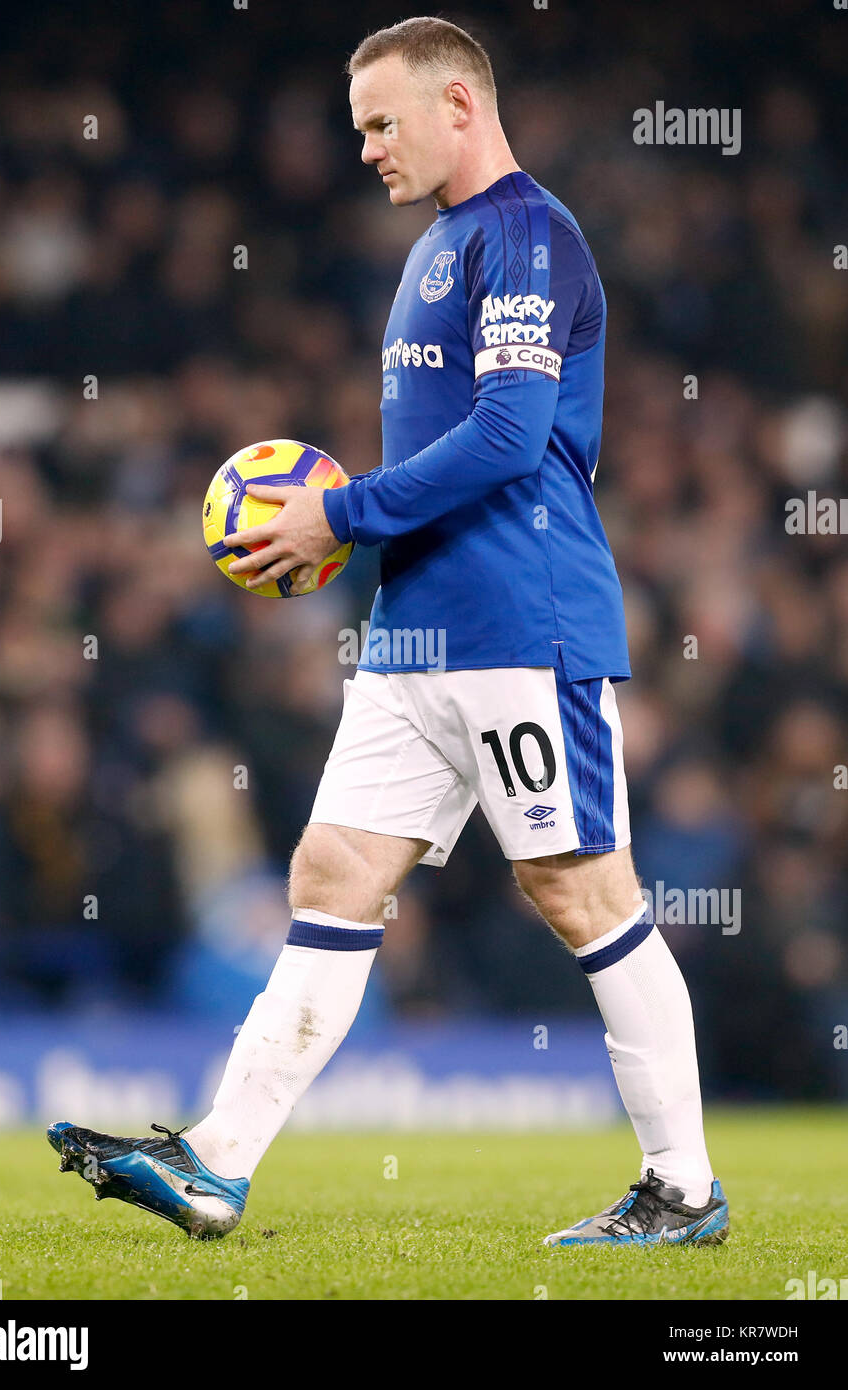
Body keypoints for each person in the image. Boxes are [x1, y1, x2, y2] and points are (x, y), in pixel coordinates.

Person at [50, 17, 728, 1248]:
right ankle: (215, 1161)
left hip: (523, 624)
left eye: (380, 121)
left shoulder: (527, 235)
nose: (363, 147)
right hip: (413, 636)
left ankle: (680, 1187)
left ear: (458, 103)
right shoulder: (440, 244)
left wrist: (338, 516)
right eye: (357, 126)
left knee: (577, 891)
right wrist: (356, 538)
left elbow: (512, 438)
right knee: (331, 876)